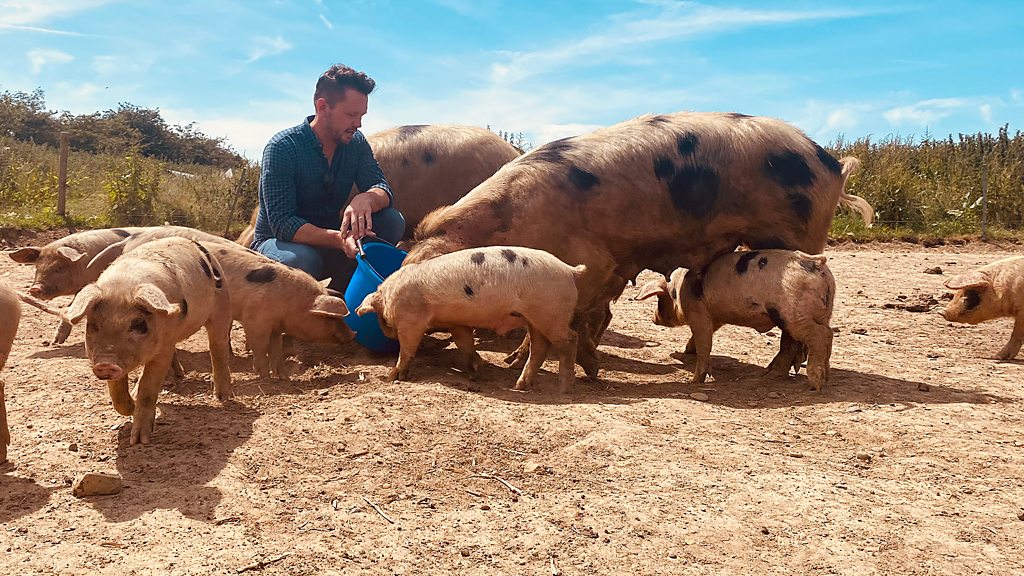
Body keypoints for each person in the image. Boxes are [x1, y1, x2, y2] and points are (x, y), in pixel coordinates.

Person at [252, 64, 405, 290]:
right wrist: (338, 239)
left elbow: (381, 186)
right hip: (281, 243)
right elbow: (283, 224)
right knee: (302, 260)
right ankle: (294, 308)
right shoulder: (282, 148)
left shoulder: (356, 143)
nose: (359, 124)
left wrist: (367, 198)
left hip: (332, 237)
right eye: (352, 115)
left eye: (362, 116)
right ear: (323, 107)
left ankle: (342, 294)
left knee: (392, 220)